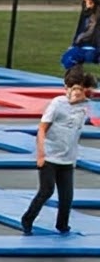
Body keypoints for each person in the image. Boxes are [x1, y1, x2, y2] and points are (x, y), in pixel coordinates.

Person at [20, 69, 92, 236]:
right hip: (50, 157)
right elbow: (42, 129)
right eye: (74, 89)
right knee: (47, 190)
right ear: (65, 88)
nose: (77, 93)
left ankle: (62, 225)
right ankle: (27, 219)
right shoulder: (57, 104)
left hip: (68, 159)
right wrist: (40, 155)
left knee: (67, 197)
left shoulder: (84, 105)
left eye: (80, 89)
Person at [64, 0, 100, 70]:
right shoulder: (86, 15)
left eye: (89, 1)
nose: (87, 4)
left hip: (94, 48)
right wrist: (74, 44)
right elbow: (81, 31)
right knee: (67, 58)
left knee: (89, 55)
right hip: (84, 46)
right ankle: (76, 77)